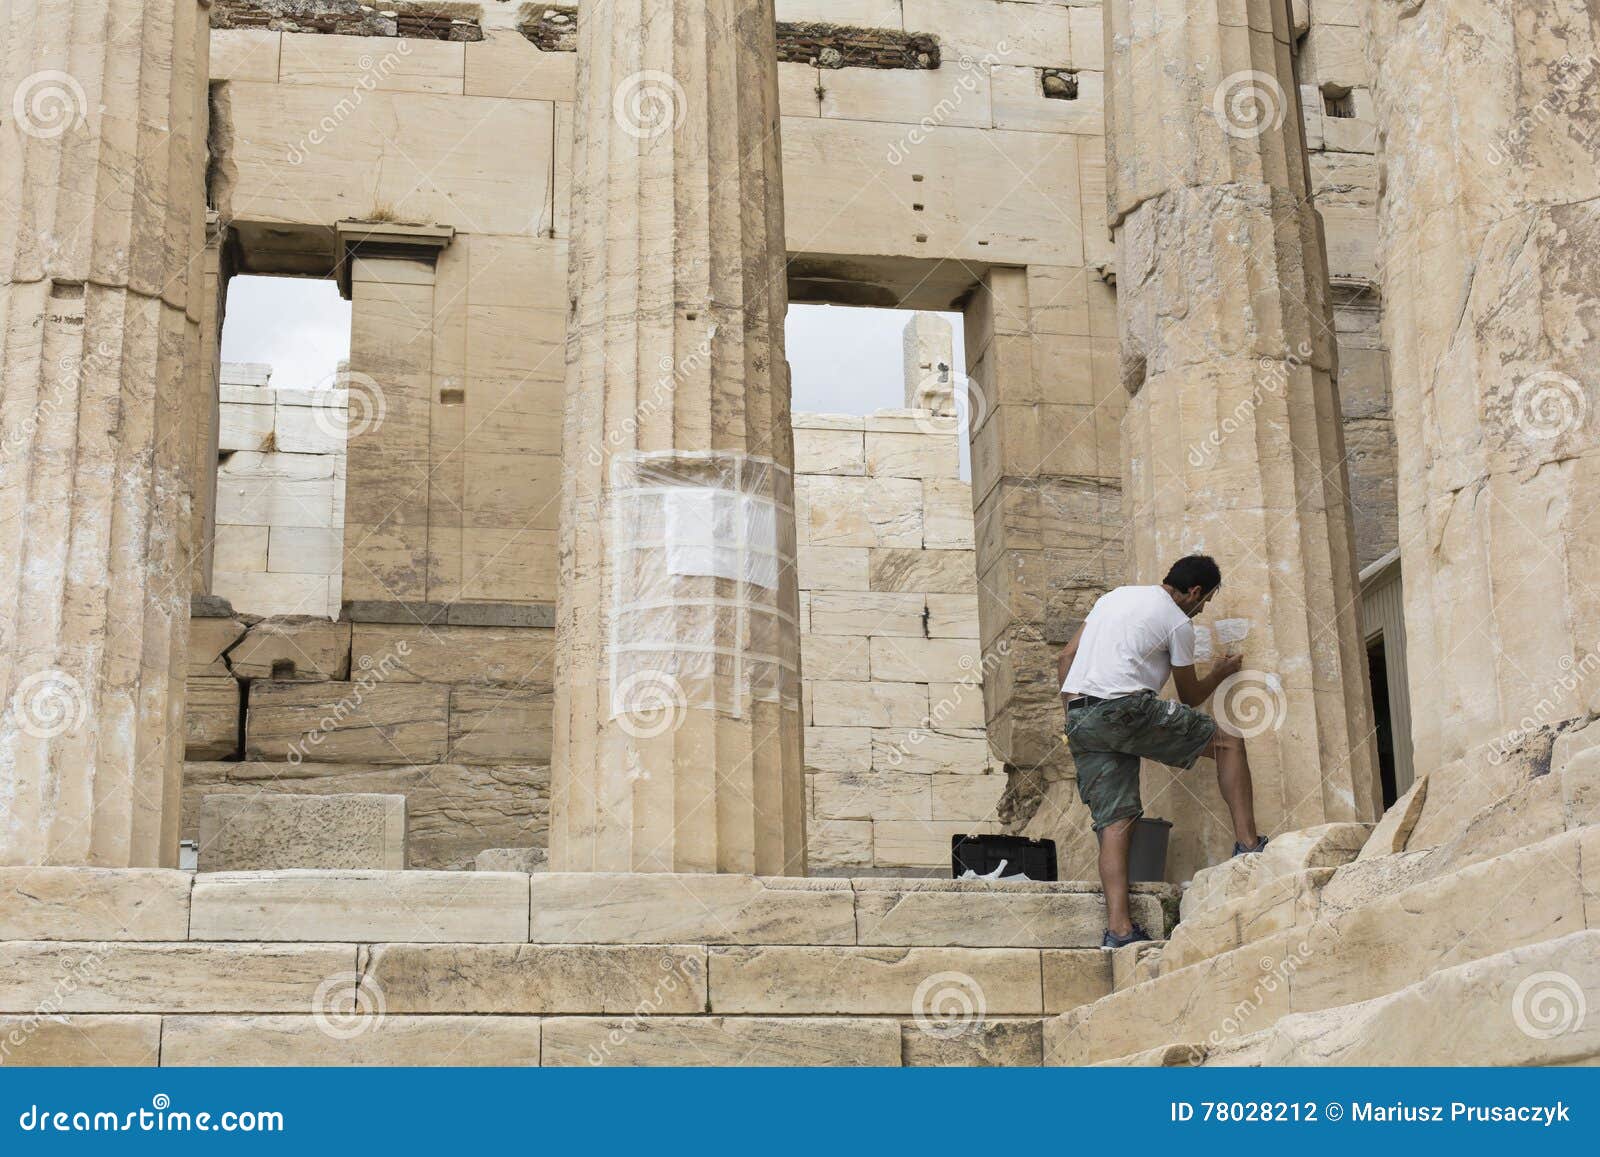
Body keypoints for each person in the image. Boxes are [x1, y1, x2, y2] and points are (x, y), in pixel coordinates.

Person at [1057, 555, 1266, 948]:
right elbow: (1190, 697)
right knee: (1229, 742)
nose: (1202, 610)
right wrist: (1222, 672)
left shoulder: (1114, 597)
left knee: (1114, 822)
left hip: (1082, 717)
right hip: (1124, 708)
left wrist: (1071, 718)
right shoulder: (1177, 621)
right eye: (1204, 602)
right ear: (1194, 591)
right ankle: (1249, 845)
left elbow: (1066, 656)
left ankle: (1119, 931)